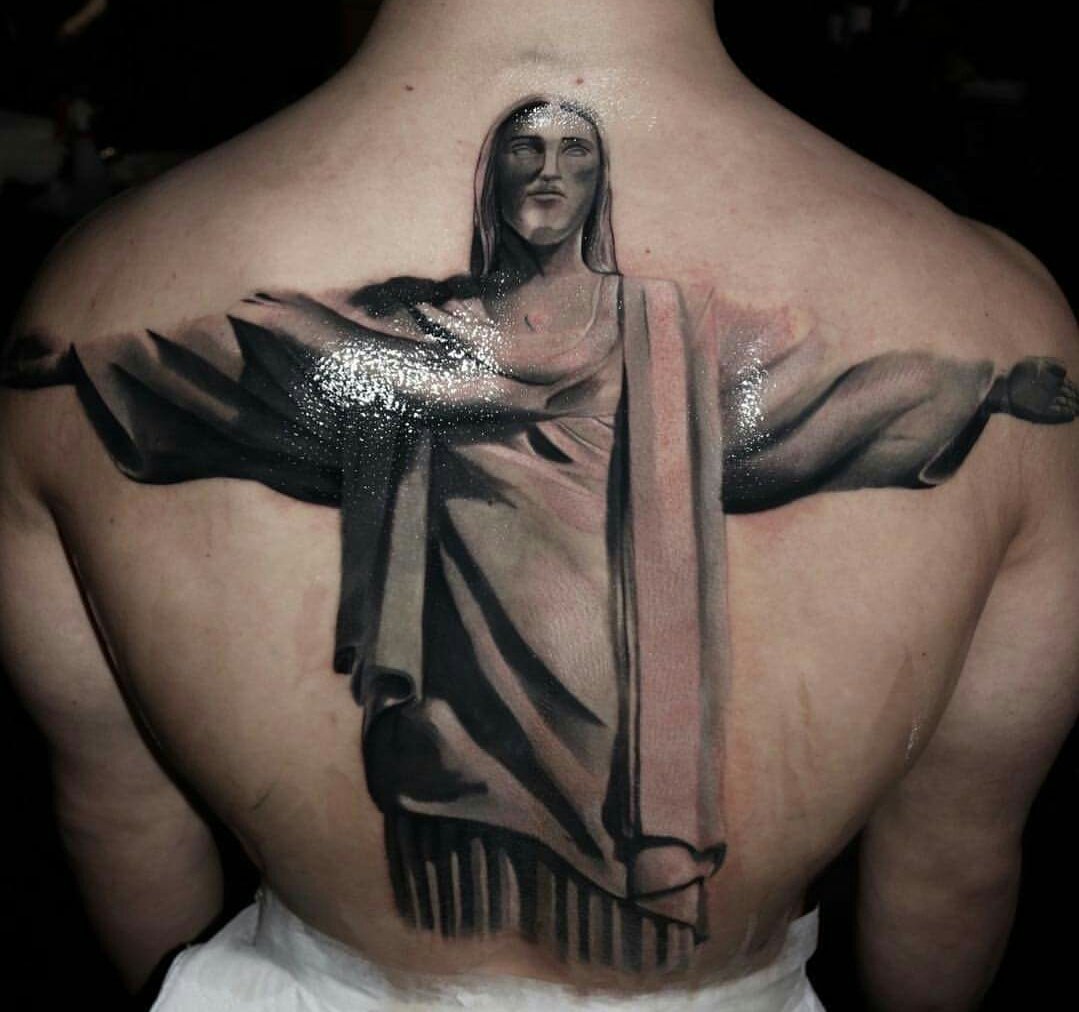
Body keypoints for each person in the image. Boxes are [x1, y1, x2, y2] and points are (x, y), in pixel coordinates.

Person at [1, 2, 1076, 1009]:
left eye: (572, 154)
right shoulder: (988, 304)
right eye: (527, 151)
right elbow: (947, 866)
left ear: (598, 184)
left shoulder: (102, 282)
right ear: (493, 178)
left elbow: (124, 823)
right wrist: (105, 374)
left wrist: (977, 397)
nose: (548, 173)